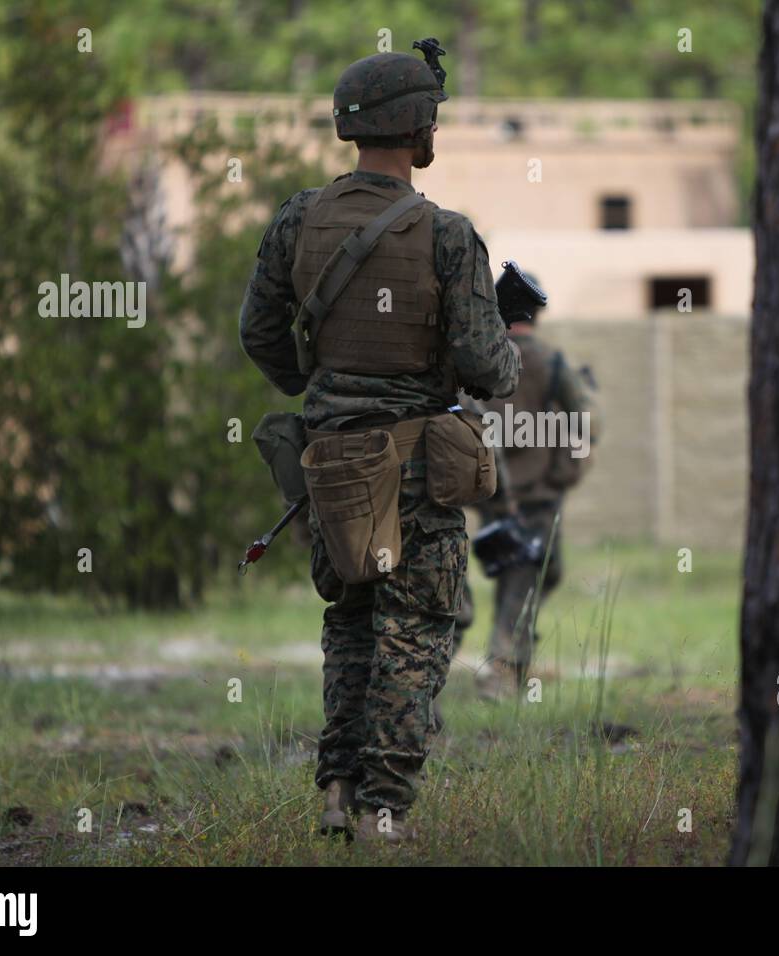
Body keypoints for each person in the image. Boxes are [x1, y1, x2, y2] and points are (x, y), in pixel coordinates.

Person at [239, 46, 519, 843]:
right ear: (420, 129)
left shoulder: (298, 219)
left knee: (353, 624)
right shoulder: (447, 235)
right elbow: (485, 366)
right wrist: (505, 346)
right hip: (416, 471)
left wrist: (316, 385)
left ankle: (337, 786)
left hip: (330, 465)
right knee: (416, 630)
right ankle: (382, 809)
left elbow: (259, 331)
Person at [468, 283, 600, 700]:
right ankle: (501, 672)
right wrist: (566, 468)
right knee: (527, 576)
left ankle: (511, 660)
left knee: (521, 573)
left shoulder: (481, 362)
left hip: (491, 490)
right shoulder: (550, 361)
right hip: (538, 494)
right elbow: (585, 420)